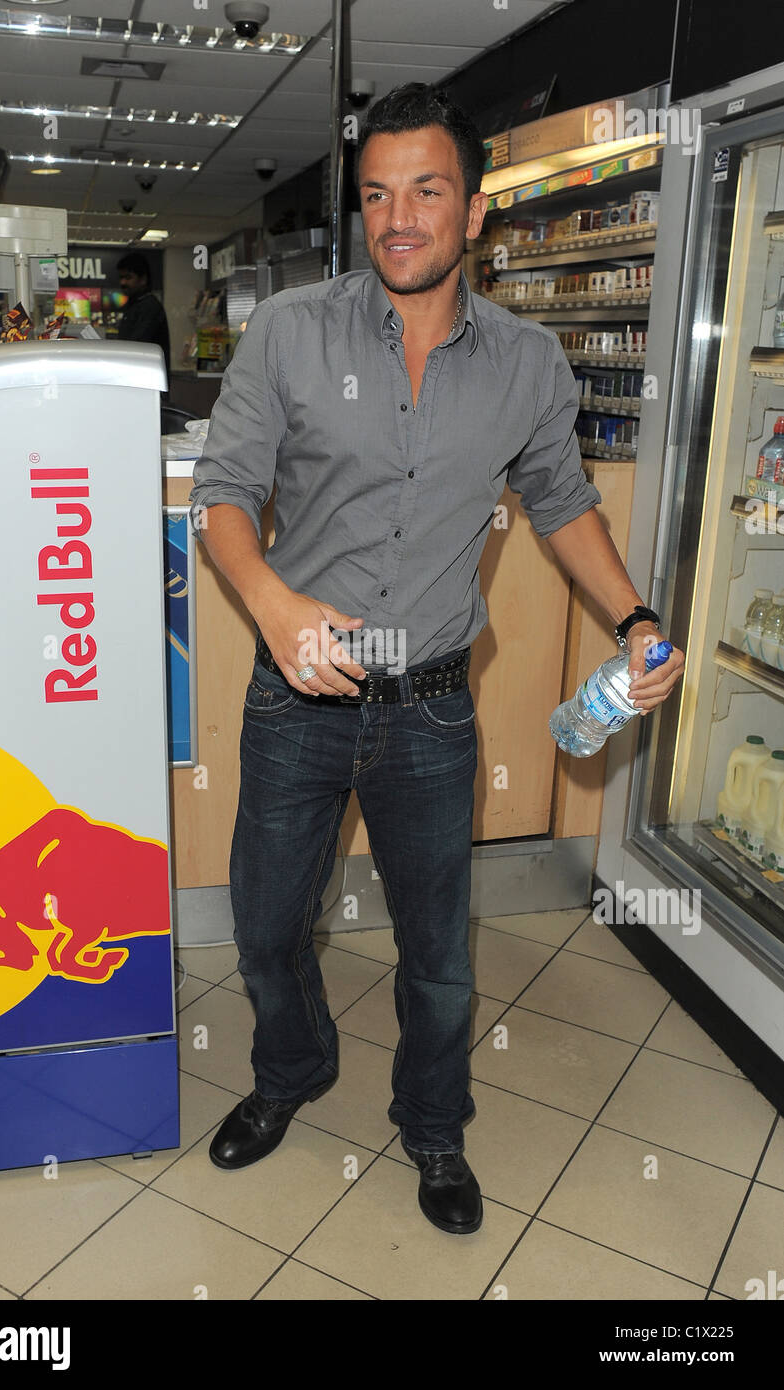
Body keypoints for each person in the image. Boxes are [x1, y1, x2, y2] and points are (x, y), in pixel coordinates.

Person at [188, 83, 685, 1236]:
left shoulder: (524, 363)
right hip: (295, 694)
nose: (398, 216)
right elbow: (221, 497)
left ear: (474, 214)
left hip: (428, 712)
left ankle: (432, 1123)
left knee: (436, 950)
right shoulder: (291, 333)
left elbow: (563, 508)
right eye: (376, 195)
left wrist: (636, 620)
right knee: (265, 925)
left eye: (426, 190)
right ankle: (291, 1070)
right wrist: (268, 604)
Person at [116, 251, 171, 392]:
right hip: (137, 381)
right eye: (121, 277)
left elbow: (136, 345)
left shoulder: (150, 307)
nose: (123, 282)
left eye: (128, 278)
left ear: (143, 279)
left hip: (148, 384)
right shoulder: (134, 306)